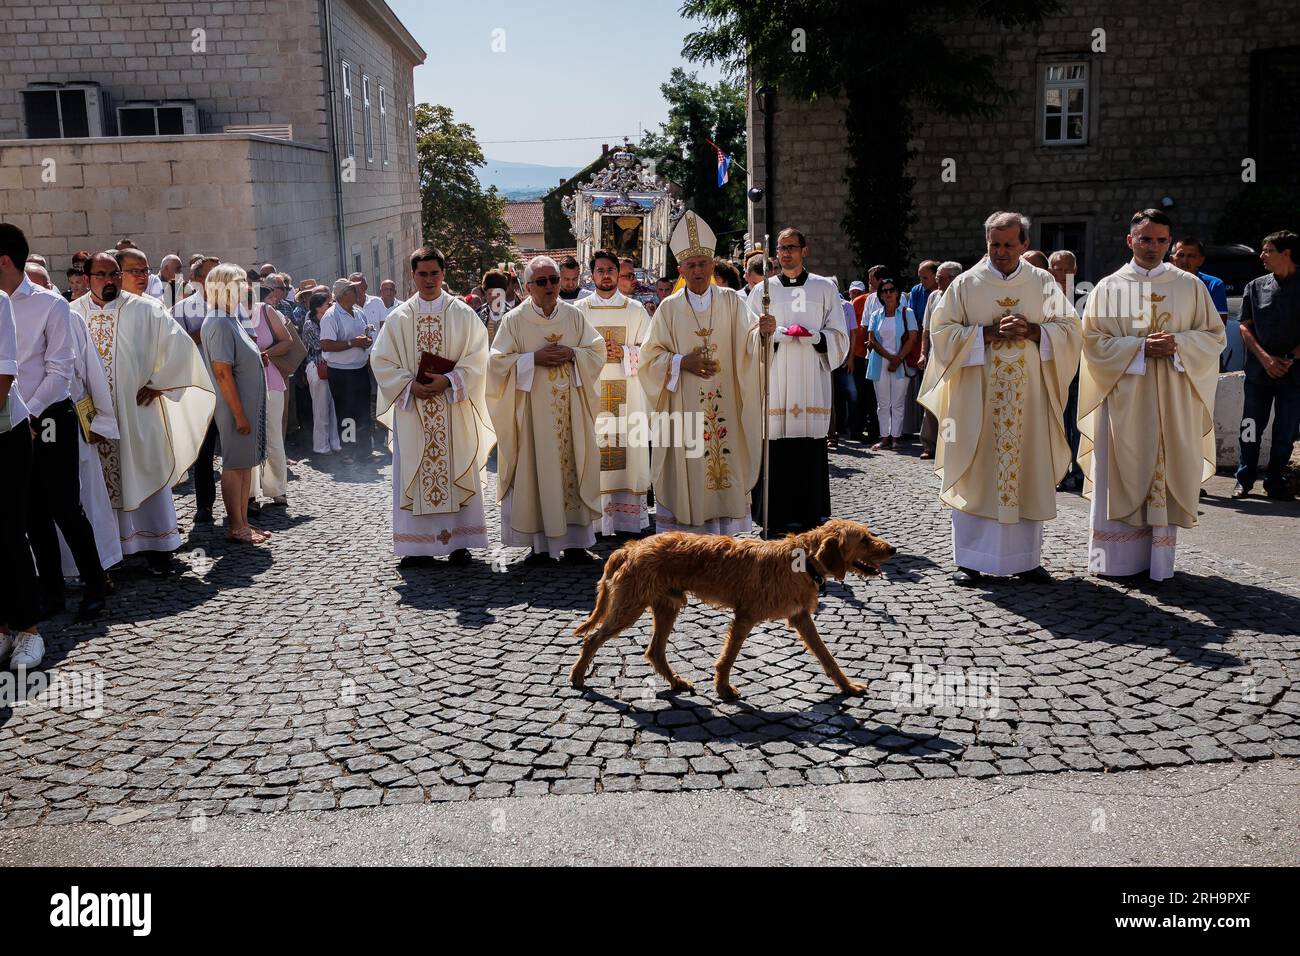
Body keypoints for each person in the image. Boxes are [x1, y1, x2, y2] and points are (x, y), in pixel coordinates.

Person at [918, 211, 1082, 586]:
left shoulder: (1042, 282)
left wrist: (1035, 330)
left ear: (1024, 244)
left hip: (1029, 398)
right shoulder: (966, 284)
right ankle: (971, 560)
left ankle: (1025, 560)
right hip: (977, 398)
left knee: (1026, 469)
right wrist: (985, 334)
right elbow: (941, 333)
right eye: (995, 244)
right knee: (977, 470)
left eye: (1009, 244)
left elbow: (1071, 330)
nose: (1002, 251)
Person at [1079, 209, 1225, 582]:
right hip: (1124, 400)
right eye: (1145, 239)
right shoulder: (1109, 287)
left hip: (1173, 401)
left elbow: (1214, 337)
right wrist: (1141, 348)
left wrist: (1178, 344)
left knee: (1165, 469)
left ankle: (1159, 564)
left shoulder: (1189, 286)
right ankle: (1112, 561)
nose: (1153, 247)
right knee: (1119, 471)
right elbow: (1093, 344)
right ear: (1130, 240)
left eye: (1161, 240)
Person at [72, 252, 214, 575]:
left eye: (115, 274)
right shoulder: (72, 314)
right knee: (96, 486)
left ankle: (157, 546)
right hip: (92, 421)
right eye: (102, 275)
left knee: (146, 472)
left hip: (137, 414)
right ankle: (108, 553)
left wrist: (160, 383)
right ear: (87, 277)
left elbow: (180, 349)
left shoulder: (147, 310)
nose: (109, 281)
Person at [0, 224, 107, 625]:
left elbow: (60, 371)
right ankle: (51, 592)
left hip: (48, 418)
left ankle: (95, 586)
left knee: (64, 506)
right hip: (11, 424)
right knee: (29, 513)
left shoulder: (50, 305)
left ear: (4, 260)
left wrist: (27, 413)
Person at [640, 212, 768, 535]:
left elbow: (750, 342)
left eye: (703, 264)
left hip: (725, 404)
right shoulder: (668, 309)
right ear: (681, 270)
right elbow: (648, 360)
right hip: (685, 412)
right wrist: (681, 362)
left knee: (722, 470)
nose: (698, 271)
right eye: (691, 266)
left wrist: (764, 333)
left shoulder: (732, 302)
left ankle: (723, 552)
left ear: (713, 266)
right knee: (690, 474)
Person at [372, 247, 493, 566]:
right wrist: (408, 384)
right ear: (412, 275)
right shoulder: (399, 318)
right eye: (422, 274)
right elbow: (381, 359)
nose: (428, 279)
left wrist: (451, 380)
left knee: (454, 467)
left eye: (434, 273)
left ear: (443, 273)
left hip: (452, 409)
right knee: (414, 467)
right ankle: (417, 546)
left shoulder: (462, 314)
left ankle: (458, 542)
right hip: (413, 411)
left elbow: (479, 356)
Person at [487, 255, 604, 563]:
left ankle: (577, 541)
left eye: (553, 279)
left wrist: (573, 353)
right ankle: (540, 543)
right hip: (533, 416)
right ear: (528, 287)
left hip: (571, 411)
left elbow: (597, 350)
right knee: (537, 469)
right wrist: (531, 360)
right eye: (542, 282)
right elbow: (496, 363)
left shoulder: (573, 315)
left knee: (573, 461)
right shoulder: (514, 320)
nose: (550, 286)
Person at [747, 227, 848, 534]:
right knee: (774, 446)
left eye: (791, 247)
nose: (786, 253)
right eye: (781, 248)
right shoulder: (762, 291)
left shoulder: (824, 288)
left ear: (805, 250)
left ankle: (810, 514)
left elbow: (840, 336)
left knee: (809, 447)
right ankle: (773, 516)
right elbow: (746, 337)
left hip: (810, 378)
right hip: (775, 380)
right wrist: (767, 334)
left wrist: (817, 337)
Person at [576, 249, 652, 536]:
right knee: (594, 453)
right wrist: (596, 353)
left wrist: (623, 352)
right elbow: (573, 350)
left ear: (618, 274)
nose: (605, 275)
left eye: (610, 270)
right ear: (592, 274)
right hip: (592, 395)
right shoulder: (580, 311)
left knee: (628, 454)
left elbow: (650, 352)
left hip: (627, 396)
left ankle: (626, 521)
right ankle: (595, 521)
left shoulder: (635, 310)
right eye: (599, 270)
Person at [199, 264, 270, 544]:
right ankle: (237, 526)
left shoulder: (231, 318)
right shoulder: (217, 321)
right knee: (235, 465)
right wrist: (239, 414)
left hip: (245, 406)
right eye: (240, 283)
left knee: (244, 466)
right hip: (234, 407)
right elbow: (222, 372)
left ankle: (243, 522)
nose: (246, 288)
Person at [1234, 229, 1300, 500]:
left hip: (1294, 373)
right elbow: (1245, 327)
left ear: (1286, 254)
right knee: (1250, 426)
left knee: (1285, 430)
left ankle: (1275, 481)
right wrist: (1265, 358)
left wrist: (1290, 358)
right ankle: (1244, 478)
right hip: (1259, 372)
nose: (1262, 256)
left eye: (1268, 251)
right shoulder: (1255, 286)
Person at [0, 288, 45, 671]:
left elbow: (2, 377)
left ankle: (28, 630)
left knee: (10, 533)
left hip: (4, 435)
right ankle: (1, 630)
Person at [173, 255, 222, 522]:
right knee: (203, 451)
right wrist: (208, 330)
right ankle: (205, 504)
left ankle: (246, 500)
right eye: (211, 274)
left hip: (229, 386)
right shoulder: (181, 309)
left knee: (238, 445)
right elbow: (177, 348)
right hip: (199, 388)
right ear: (197, 280)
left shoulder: (232, 305)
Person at [249, 275, 293, 508]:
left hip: (270, 378)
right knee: (249, 438)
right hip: (242, 382)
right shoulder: (225, 314)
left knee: (273, 435)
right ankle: (250, 493)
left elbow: (287, 341)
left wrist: (266, 354)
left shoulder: (265, 311)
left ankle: (277, 488)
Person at [319, 277, 375, 463]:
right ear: (343, 295)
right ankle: (349, 450)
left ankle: (365, 451)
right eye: (352, 289)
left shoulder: (359, 312)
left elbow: (363, 337)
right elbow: (326, 345)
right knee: (346, 412)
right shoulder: (331, 316)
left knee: (363, 411)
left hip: (359, 368)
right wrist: (353, 343)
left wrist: (366, 341)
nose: (357, 292)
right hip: (341, 372)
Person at [864, 278, 919, 450]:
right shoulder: (876, 315)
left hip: (900, 363)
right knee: (882, 403)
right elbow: (871, 339)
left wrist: (898, 359)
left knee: (898, 402)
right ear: (880, 295)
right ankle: (884, 437)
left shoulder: (907, 312)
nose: (888, 293)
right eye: (884, 291)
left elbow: (912, 338)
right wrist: (890, 357)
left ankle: (896, 437)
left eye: (891, 290)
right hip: (880, 361)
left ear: (897, 292)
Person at [916, 261, 962, 460]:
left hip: (955, 357)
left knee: (952, 404)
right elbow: (926, 329)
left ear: (953, 279)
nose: (937, 282)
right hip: (935, 356)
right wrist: (923, 353)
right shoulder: (934, 297)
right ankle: (930, 444)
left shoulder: (963, 296)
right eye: (937, 278)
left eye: (941, 279)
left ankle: (949, 444)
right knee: (931, 400)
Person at [1048, 250, 1086, 491]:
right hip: (1053, 372)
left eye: (1066, 269)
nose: (1060, 274)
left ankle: (1080, 472)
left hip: (1081, 373)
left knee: (1079, 425)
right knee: (1057, 426)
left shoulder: (1087, 297)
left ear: (1075, 271)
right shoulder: (1041, 299)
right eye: (1055, 269)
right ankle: (1059, 472)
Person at [850, 264, 888, 442]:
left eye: (871, 280)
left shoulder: (900, 299)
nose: (870, 283)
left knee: (880, 396)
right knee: (864, 395)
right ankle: (862, 430)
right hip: (863, 354)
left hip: (887, 354)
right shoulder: (864, 301)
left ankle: (882, 432)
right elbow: (861, 327)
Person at [300, 291, 340, 455]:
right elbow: (321, 346)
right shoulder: (310, 325)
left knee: (334, 407)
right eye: (327, 304)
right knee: (321, 407)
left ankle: (335, 443)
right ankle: (321, 445)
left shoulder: (329, 320)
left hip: (330, 366)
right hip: (317, 368)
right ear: (318, 307)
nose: (331, 306)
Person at [1170, 238, 1229, 321]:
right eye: (1181, 255)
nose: (1185, 260)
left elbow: (1219, 324)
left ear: (1201, 260)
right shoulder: (1159, 282)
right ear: (1172, 259)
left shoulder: (1214, 284)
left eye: (1191, 256)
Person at [477, 268, 510, 344]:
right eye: (490, 294)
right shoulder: (477, 315)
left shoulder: (513, 314)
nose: (494, 298)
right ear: (485, 294)